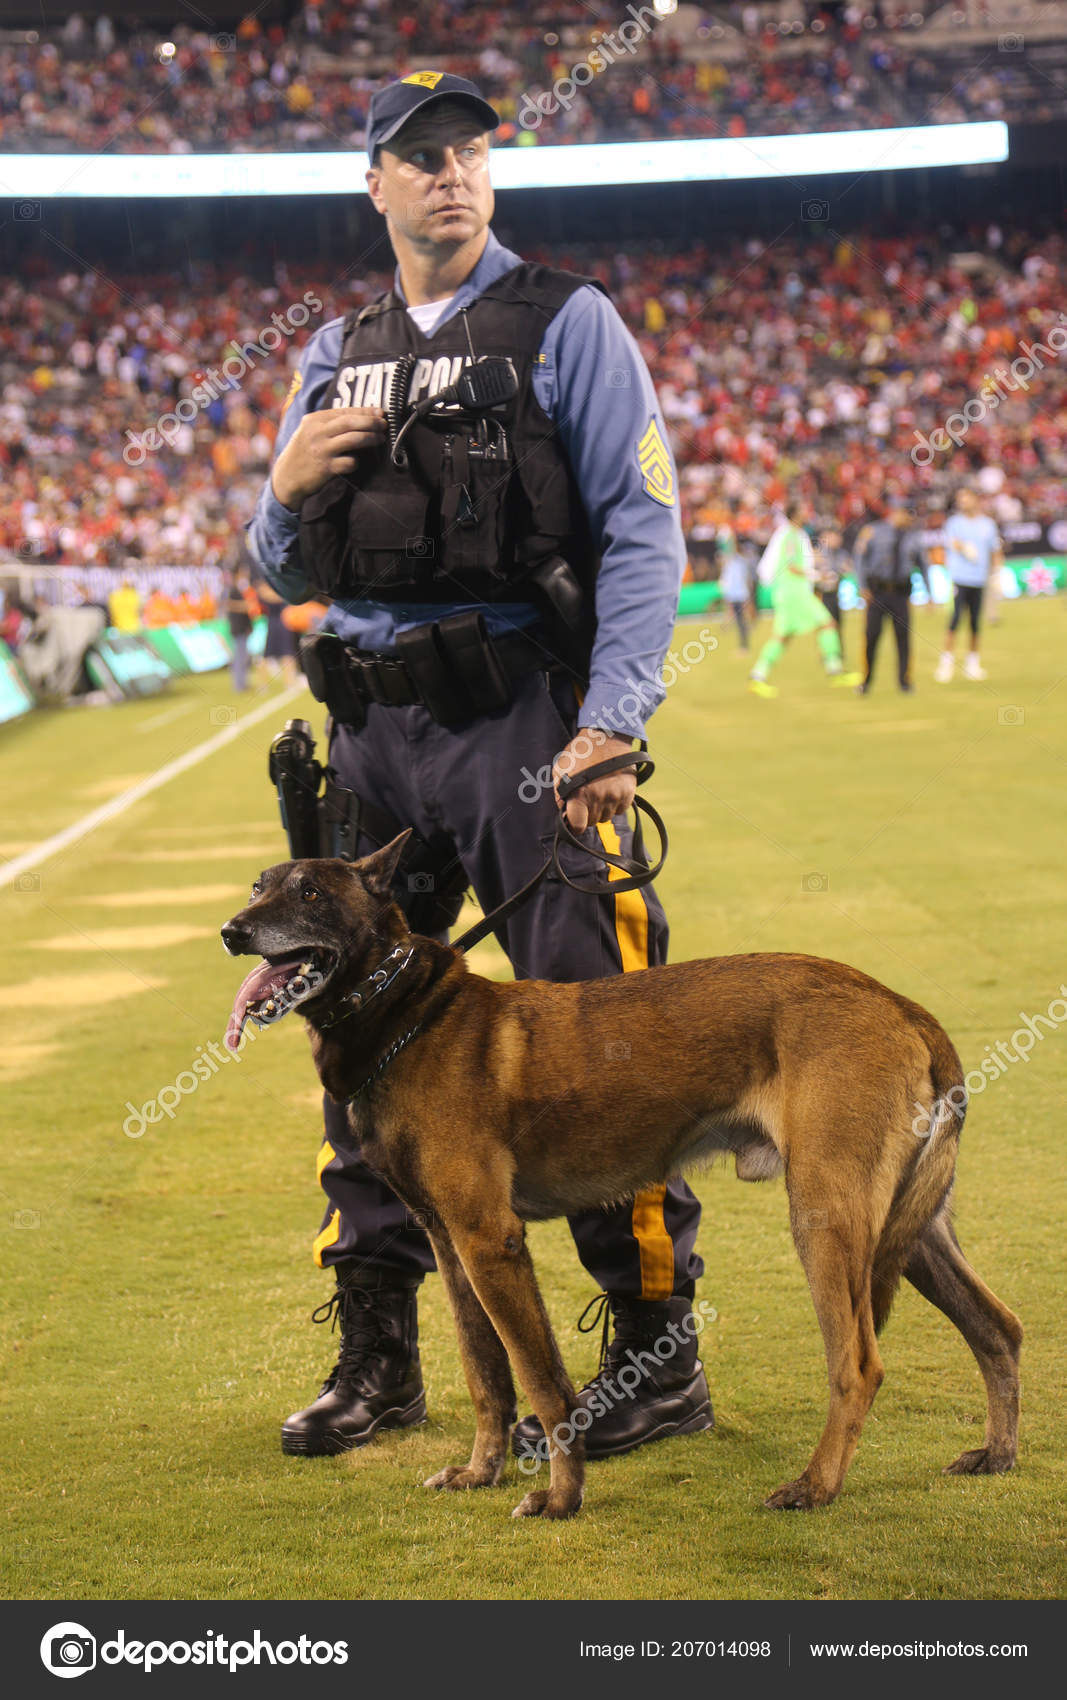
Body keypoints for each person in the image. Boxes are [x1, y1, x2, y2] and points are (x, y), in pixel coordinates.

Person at [247, 73, 711, 1468]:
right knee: (357, 1039)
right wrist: (276, 490)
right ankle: (377, 1356)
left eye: (469, 153)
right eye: (417, 157)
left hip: (523, 719)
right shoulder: (334, 347)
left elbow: (643, 528)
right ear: (372, 186)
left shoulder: (570, 321)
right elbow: (277, 568)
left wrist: (610, 719)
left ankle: (652, 1350)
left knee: (597, 1032)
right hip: (372, 733)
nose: (450, 174)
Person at [748, 501, 859, 698]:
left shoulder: (795, 535)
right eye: (802, 510)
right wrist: (816, 575)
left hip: (789, 592)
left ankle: (758, 675)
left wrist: (813, 562)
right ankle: (834, 670)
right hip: (794, 592)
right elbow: (790, 566)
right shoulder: (790, 535)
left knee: (783, 637)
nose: (807, 512)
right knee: (827, 624)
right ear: (795, 514)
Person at [855, 505, 929, 694]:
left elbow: (923, 565)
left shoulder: (913, 536)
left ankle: (904, 681)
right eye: (907, 515)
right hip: (877, 593)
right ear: (897, 512)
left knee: (903, 640)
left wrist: (929, 593)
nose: (910, 520)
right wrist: (862, 586)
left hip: (901, 594)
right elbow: (860, 558)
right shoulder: (874, 531)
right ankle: (866, 680)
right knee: (871, 637)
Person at [935, 489, 1003, 682]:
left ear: (975, 500)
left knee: (975, 623)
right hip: (960, 578)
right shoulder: (954, 523)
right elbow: (950, 542)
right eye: (960, 500)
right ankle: (946, 663)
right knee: (955, 619)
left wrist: (996, 573)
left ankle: (972, 663)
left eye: (966, 499)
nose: (963, 503)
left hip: (979, 579)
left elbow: (995, 550)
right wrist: (964, 548)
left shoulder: (988, 525)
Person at [813, 526, 849, 659]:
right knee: (826, 624)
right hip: (822, 594)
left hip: (835, 594)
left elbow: (847, 569)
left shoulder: (841, 554)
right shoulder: (818, 554)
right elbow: (812, 573)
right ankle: (826, 652)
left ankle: (837, 651)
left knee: (838, 623)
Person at [716, 522, 752, 651]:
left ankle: (744, 645)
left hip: (740, 594)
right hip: (735, 594)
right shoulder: (730, 562)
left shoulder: (738, 561)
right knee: (738, 620)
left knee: (741, 620)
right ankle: (743, 644)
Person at [222, 566, 256, 692]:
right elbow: (228, 604)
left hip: (243, 628)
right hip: (238, 629)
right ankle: (239, 685)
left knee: (243, 657)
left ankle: (242, 683)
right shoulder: (233, 590)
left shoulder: (241, 590)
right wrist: (246, 605)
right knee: (239, 658)